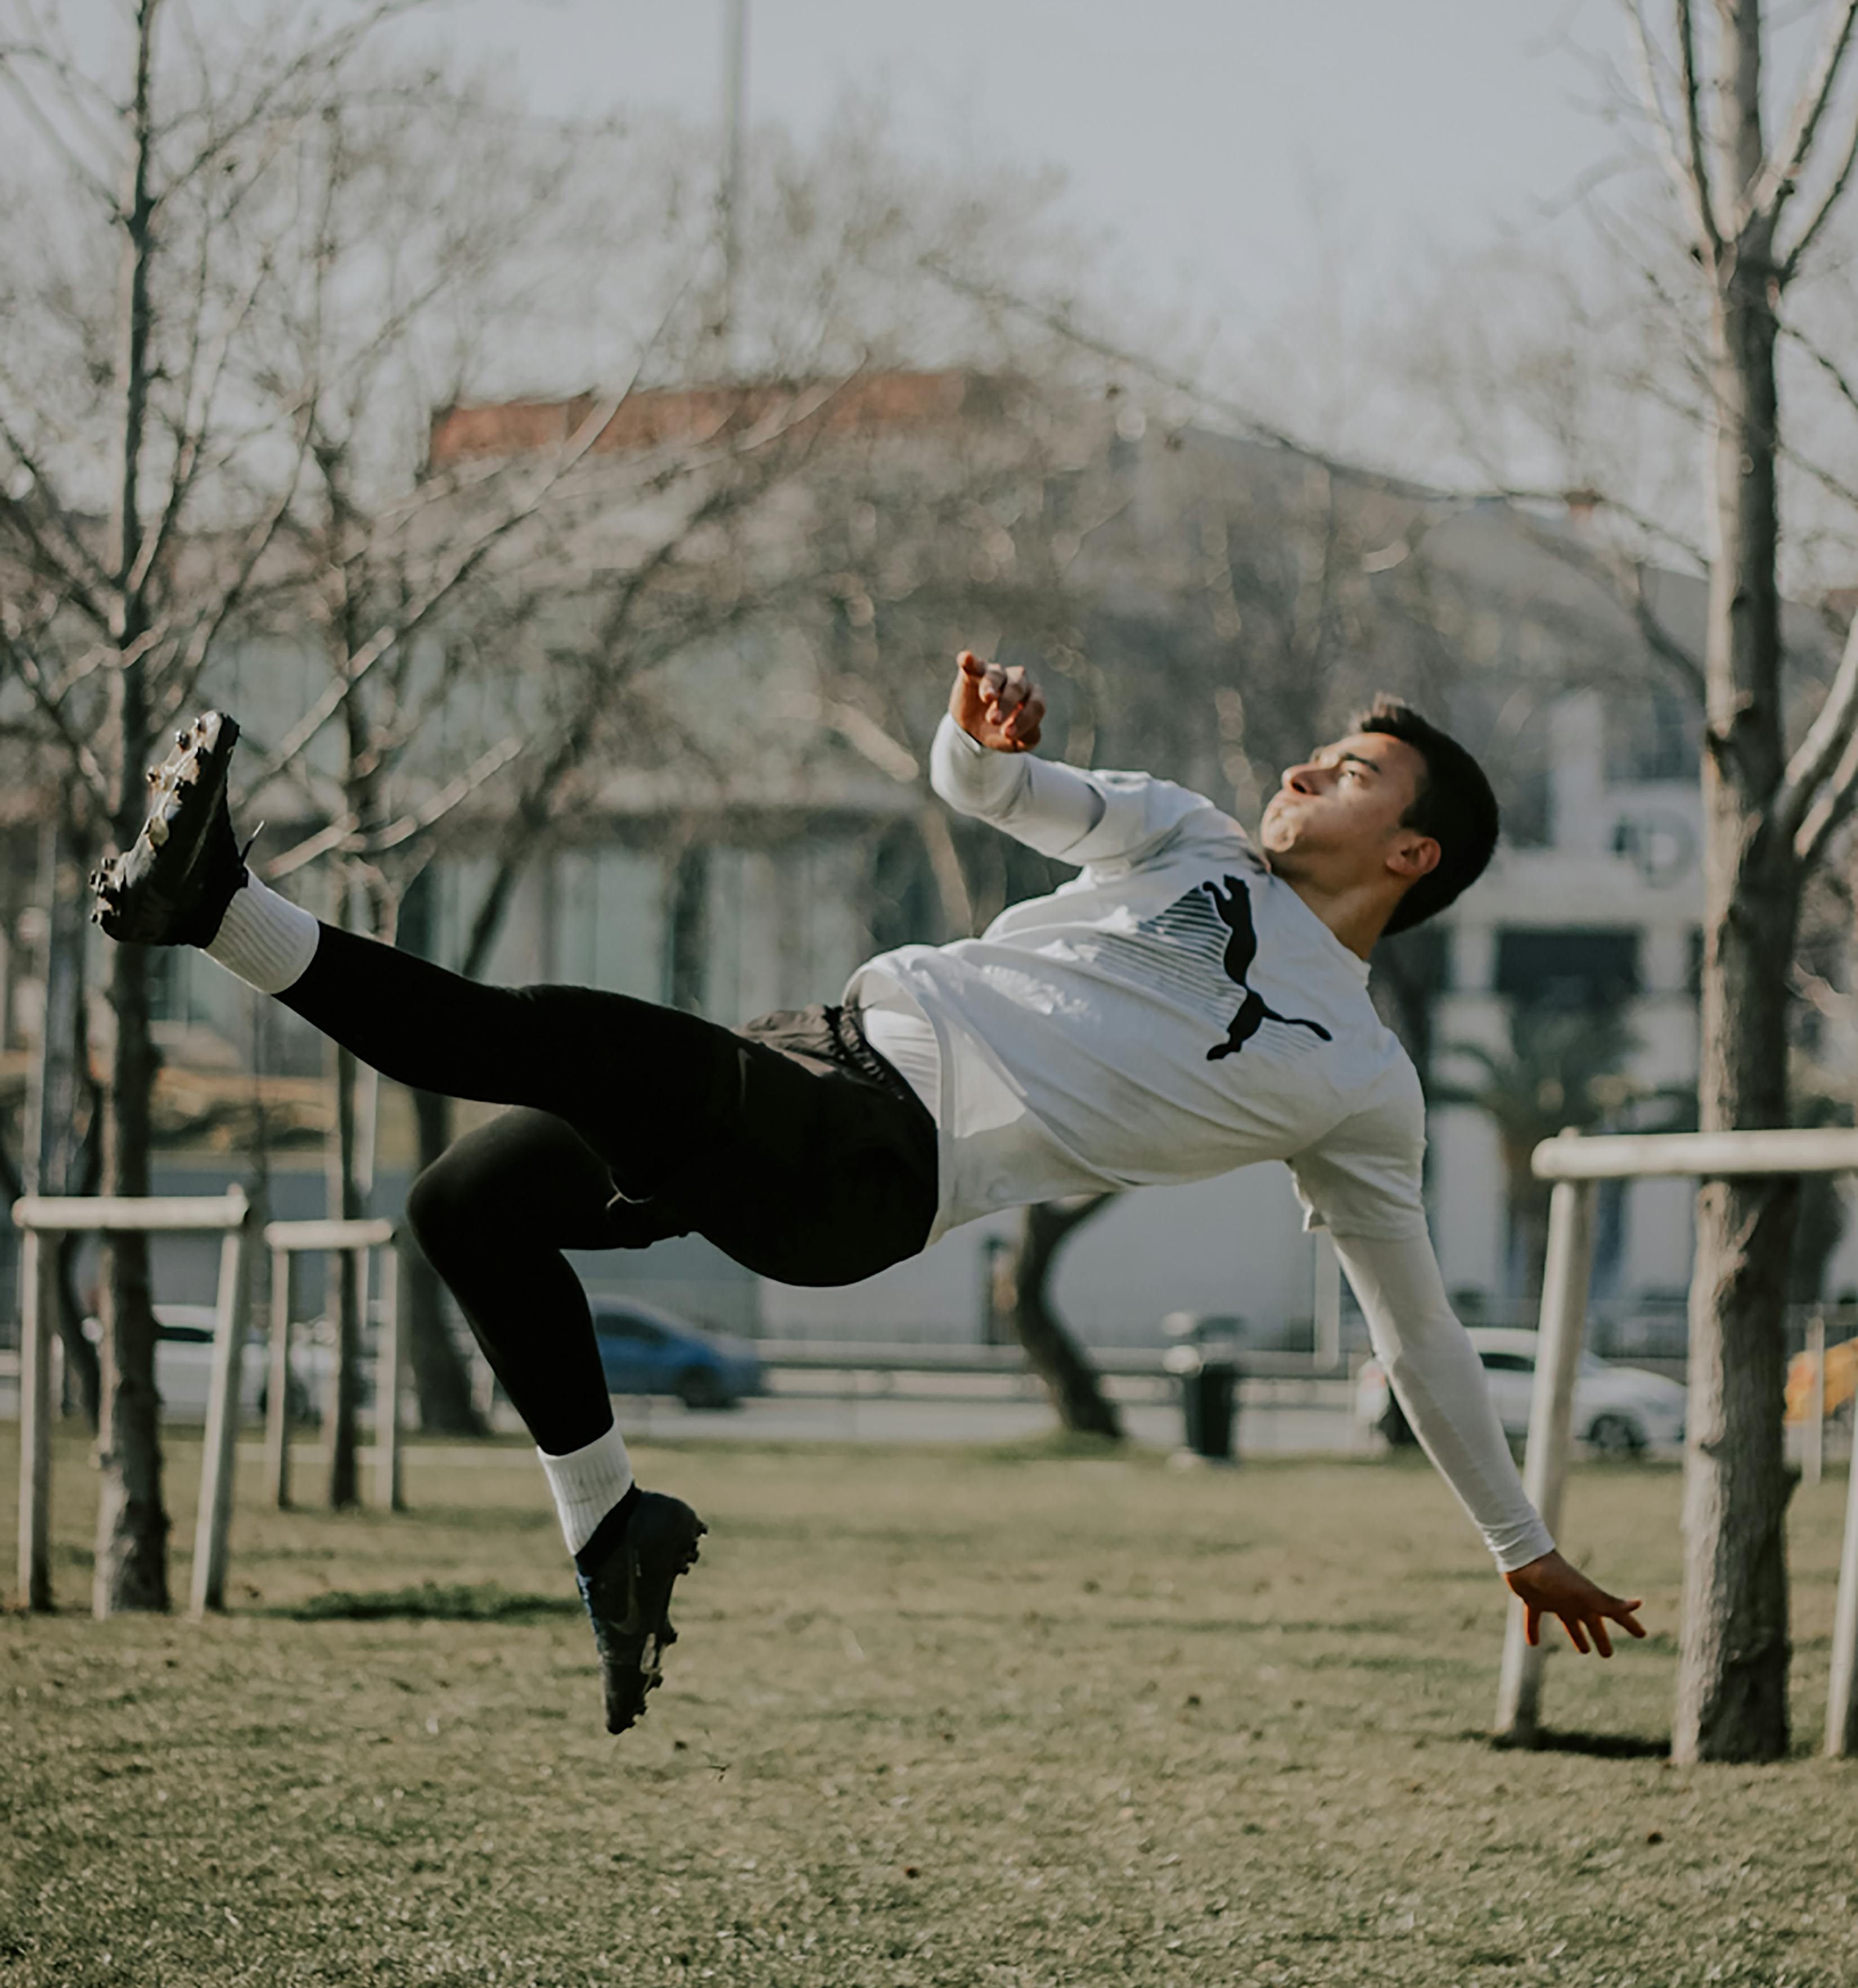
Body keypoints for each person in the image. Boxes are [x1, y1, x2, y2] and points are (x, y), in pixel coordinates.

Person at [91, 653, 1646, 1733]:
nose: (1309, 764)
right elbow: (991, 788)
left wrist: (1513, 1538)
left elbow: (1420, 1331)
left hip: (870, 1165)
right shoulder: (1188, 833)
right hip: (812, 1054)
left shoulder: (1361, 1083)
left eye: (1354, 771)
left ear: (1413, 848)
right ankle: (612, 1527)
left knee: (556, 1034)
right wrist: (978, 736)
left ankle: (214, 904)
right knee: (467, 1206)